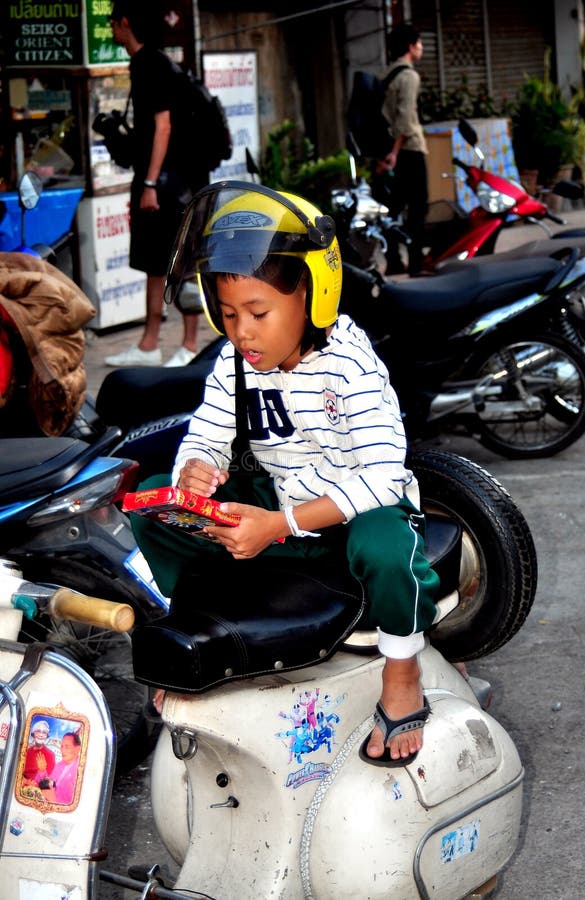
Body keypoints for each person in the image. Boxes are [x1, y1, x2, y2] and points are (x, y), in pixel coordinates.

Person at [131, 182, 440, 766]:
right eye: (226, 315)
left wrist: (279, 525)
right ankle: (197, 635)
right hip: (278, 513)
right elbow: (207, 430)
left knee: (386, 544)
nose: (241, 331)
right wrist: (199, 468)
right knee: (155, 513)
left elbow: (382, 474)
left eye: (258, 313)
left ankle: (403, 670)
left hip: (348, 515)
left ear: (312, 294)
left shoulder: (350, 363)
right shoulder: (233, 361)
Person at [104, 0, 207, 369]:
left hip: (169, 182)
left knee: (181, 262)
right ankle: (149, 344)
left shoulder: (151, 64)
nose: (112, 30)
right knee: (154, 263)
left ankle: (191, 344)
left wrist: (150, 182)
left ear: (126, 22)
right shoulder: (145, 63)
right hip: (160, 178)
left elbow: (163, 126)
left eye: (113, 23)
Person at [375, 22, 428, 276]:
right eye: (419, 43)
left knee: (392, 208)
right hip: (408, 150)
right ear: (410, 46)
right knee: (418, 208)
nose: (422, 48)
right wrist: (395, 153)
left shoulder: (387, 75)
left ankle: (394, 260)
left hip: (389, 151)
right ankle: (416, 264)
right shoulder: (409, 76)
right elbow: (405, 120)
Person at [36, 730, 82, 805]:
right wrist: (42, 770)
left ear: (77, 749)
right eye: (62, 746)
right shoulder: (59, 765)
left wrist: (54, 800)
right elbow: (48, 784)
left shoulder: (80, 770)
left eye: (67, 746)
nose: (62, 750)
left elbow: (76, 805)